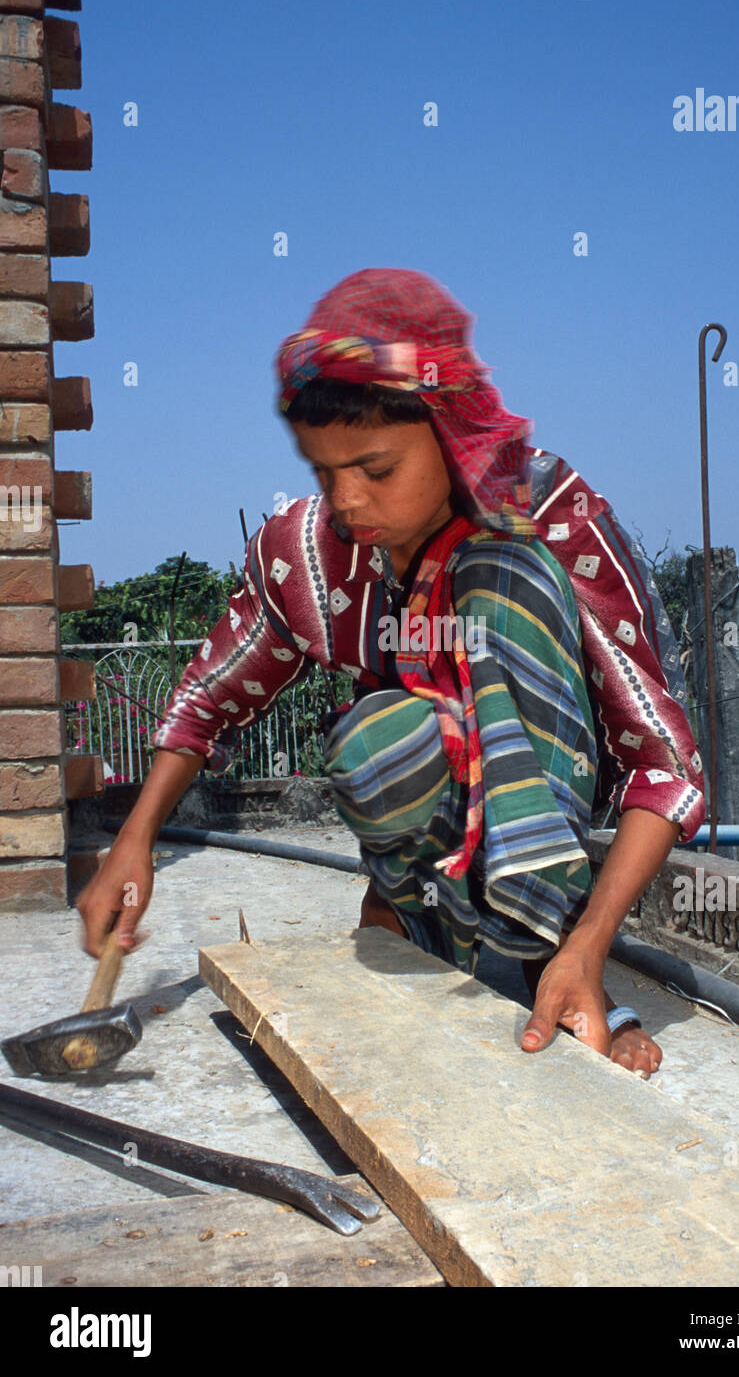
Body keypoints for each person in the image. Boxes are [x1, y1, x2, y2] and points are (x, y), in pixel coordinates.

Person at [77, 268, 705, 1079]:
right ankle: (410, 916)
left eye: (375, 470)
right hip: (429, 822)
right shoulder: (306, 554)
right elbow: (207, 700)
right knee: (378, 739)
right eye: (324, 472)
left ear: (449, 438)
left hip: (548, 809)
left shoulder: (548, 518)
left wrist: (590, 945)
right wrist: (133, 846)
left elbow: (665, 765)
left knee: (499, 577)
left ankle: (551, 954)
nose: (347, 501)